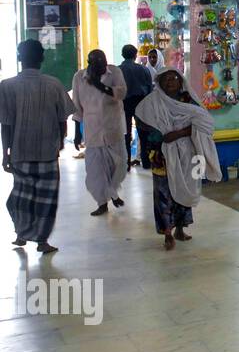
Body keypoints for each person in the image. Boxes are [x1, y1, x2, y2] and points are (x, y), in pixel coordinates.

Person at [0, 40, 76, 252]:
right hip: (47, 151)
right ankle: (42, 241)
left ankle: (21, 234)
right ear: (42, 58)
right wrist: (60, 141)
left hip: (20, 151)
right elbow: (63, 118)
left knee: (21, 196)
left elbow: (5, 124)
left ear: (19, 58)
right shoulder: (54, 84)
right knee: (46, 198)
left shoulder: (6, 86)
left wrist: (5, 153)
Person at [135, 69, 221, 251]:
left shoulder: (188, 100)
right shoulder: (152, 102)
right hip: (160, 154)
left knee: (185, 185)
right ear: (159, 82)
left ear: (180, 81)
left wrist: (178, 133)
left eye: (174, 78)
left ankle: (180, 228)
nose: (170, 82)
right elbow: (141, 118)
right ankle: (167, 232)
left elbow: (205, 124)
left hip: (187, 152)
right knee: (163, 193)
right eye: (166, 79)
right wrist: (158, 132)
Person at [71, 50, 128, 216]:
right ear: (89, 64)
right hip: (93, 131)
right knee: (96, 170)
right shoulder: (79, 78)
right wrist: (76, 134)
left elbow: (122, 92)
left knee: (119, 166)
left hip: (114, 130)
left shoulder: (115, 72)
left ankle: (113, 192)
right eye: (97, 64)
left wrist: (100, 85)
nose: (101, 67)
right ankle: (102, 203)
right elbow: (77, 107)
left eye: (103, 63)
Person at [119, 44, 153, 168]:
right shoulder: (144, 69)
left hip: (124, 104)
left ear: (122, 55)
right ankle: (146, 161)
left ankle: (126, 162)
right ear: (135, 55)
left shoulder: (118, 70)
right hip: (141, 103)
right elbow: (150, 88)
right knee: (143, 133)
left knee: (125, 133)